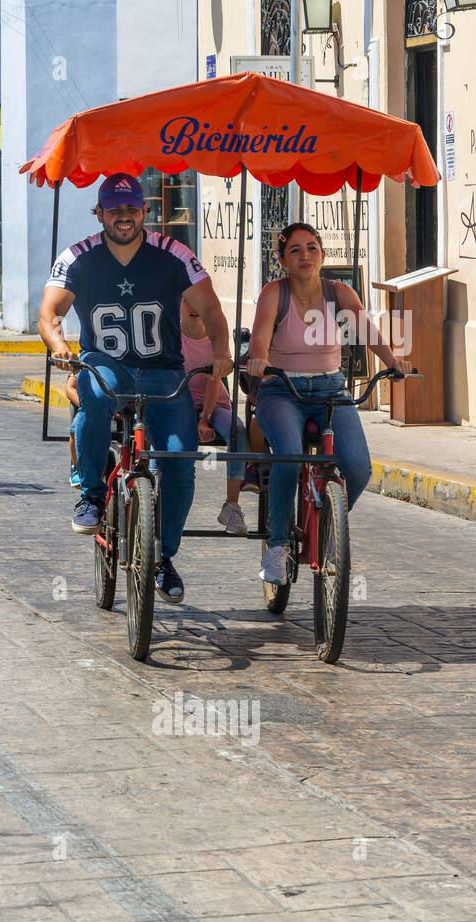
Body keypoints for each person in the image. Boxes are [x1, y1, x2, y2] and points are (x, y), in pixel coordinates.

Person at [39, 172, 232, 604]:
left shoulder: (174, 254)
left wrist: (221, 350)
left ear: (145, 211)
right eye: (114, 209)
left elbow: (212, 309)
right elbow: (49, 313)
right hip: (107, 365)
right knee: (92, 393)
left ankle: (163, 558)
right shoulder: (77, 257)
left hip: (163, 370)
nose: (123, 217)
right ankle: (90, 495)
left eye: (131, 209)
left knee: (180, 460)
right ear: (100, 213)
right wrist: (60, 346)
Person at [246, 222, 409, 586]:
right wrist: (258, 358)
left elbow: (368, 332)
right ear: (282, 260)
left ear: (322, 254)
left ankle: (327, 520)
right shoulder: (274, 292)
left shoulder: (339, 293)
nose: (305, 256)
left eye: (312, 248)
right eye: (295, 250)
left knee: (357, 467)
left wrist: (393, 363)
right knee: (288, 455)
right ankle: (276, 547)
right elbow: (259, 337)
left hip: (331, 390)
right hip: (282, 389)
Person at [182, 301, 257, 535]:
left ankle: (231, 505)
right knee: (167, 438)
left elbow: (214, 381)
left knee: (237, 430)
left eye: (196, 299)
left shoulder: (216, 335)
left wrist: (204, 419)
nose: (193, 305)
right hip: (179, 403)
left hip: (214, 403)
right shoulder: (169, 333)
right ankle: (159, 495)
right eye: (186, 299)